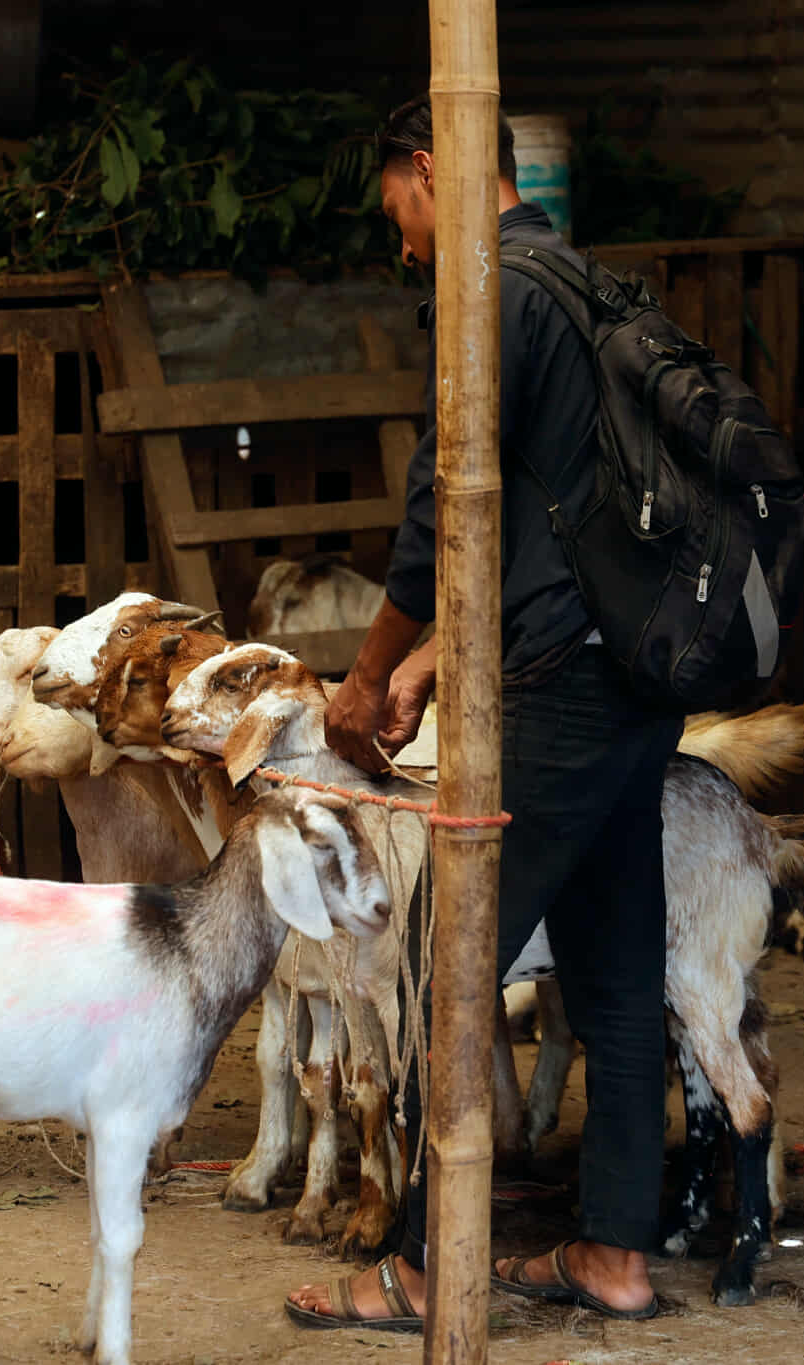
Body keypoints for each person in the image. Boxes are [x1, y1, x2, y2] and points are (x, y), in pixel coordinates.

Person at [284, 94, 683, 1330]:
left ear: (427, 169)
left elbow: (433, 514)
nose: (399, 238)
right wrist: (439, 667)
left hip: (559, 683)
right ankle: (613, 1251)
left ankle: (415, 1265)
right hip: (633, 673)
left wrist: (367, 675)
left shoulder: (487, 298)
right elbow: (534, 517)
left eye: (396, 207)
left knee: (440, 968)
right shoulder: (587, 287)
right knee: (616, 973)